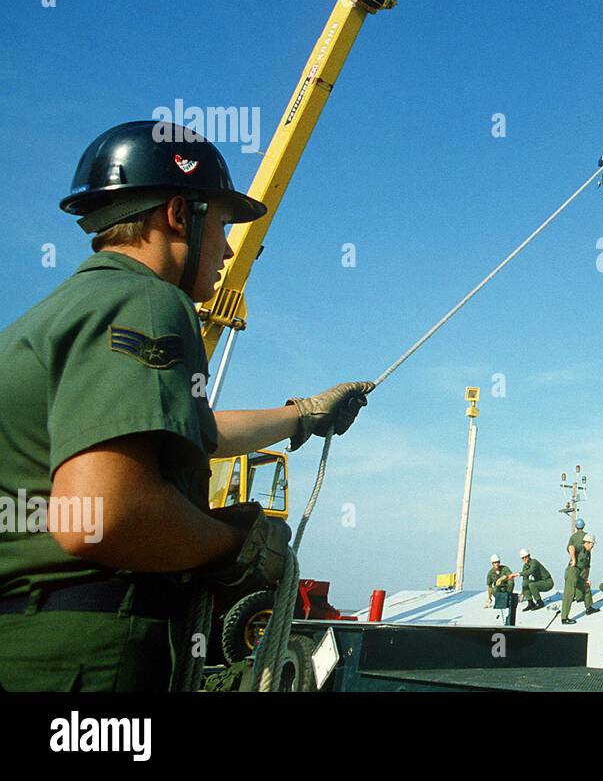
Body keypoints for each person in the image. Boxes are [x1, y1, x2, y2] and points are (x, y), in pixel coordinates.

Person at [0, 121, 374, 691]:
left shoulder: (57, 313)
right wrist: (235, 547)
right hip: (93, 652)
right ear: (180, 215)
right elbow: (104, 517)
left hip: (32, 639)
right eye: (222, 224)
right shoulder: (147, 299)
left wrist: (303, 414)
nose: (227, 248)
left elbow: (183, 429)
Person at [561, 533, 598, 624]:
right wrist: (573, 559)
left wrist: (585, 579)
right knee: (569, 593)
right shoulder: (581, 547)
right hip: (572, 571)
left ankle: (589, 608)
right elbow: (571, 547)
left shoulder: (587, 552)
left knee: (586, 586)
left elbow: (586, 567)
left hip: (578, 574)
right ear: (588, 543)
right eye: (592, 544)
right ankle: (564, 618)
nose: (593, 546)